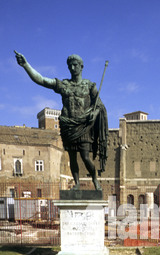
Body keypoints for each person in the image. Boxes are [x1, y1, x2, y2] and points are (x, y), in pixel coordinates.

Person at [14, 51, 108, 191]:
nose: (72, 68)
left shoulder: (89, 86)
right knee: (72, 157)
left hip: (83, 126)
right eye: (70, 65)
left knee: (85, 157)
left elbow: (100, 106)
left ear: (81, 67)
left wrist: (94, 114)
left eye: (75, 65)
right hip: (68, 126)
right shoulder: (64, 85)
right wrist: (25, 65)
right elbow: (41, 80)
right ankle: (76, 183)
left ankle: (95, 179)